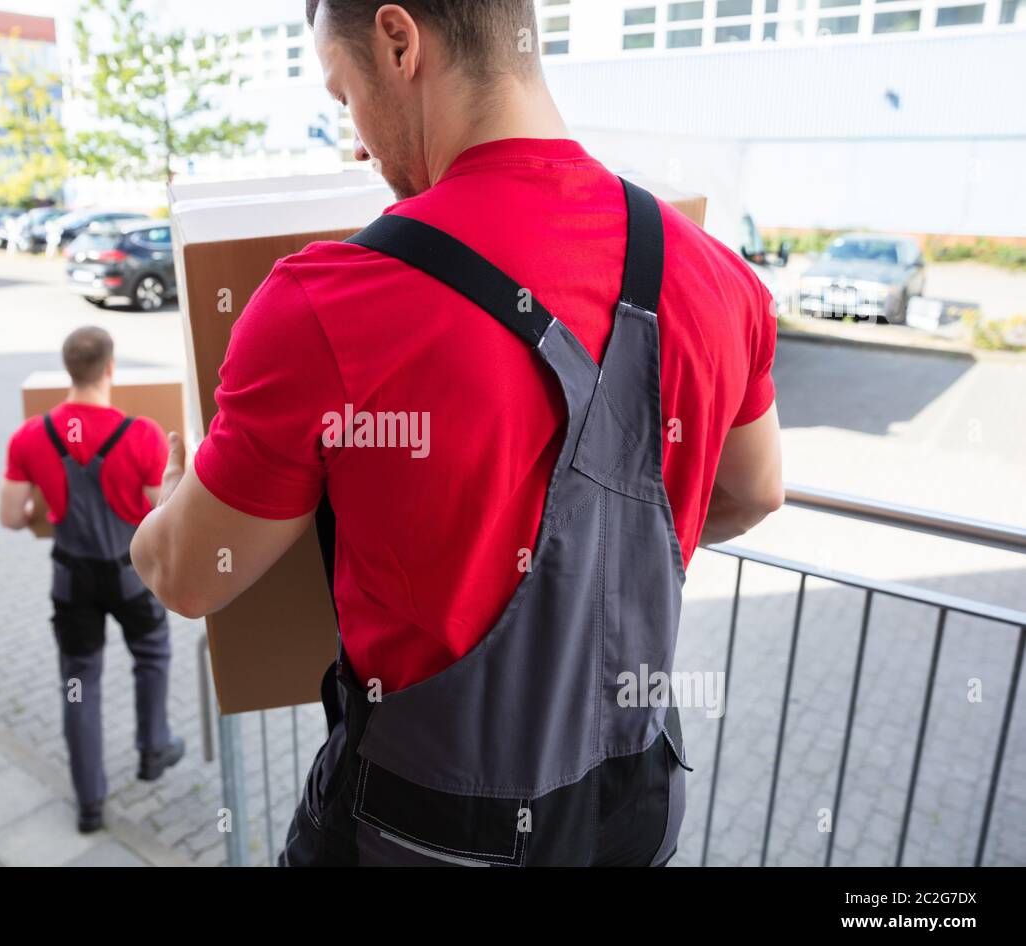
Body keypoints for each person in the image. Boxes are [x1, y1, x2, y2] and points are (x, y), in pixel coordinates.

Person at [131, 0, 783, 866]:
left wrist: (171, 496)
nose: (358, 140)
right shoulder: (716, 275)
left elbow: (186, 575)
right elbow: (754, 492)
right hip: (631, 808)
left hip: (425, 830)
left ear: (400, 43)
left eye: (343, 92)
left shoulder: (325, 301)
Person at [0, 327, 184, 833]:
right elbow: (163, 512)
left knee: (79, 683)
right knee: (151, 657)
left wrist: (41, 503)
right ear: (110, 368)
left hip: (72, 582)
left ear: (68, 369)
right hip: (130, 577)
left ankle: (89, 804)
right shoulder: (142, 433)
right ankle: (153, 750)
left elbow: (11, 516)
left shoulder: (30, 436)